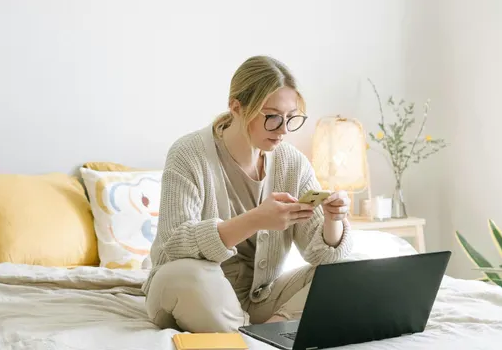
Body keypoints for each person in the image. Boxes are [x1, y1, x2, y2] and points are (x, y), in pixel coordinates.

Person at [142, 55, 353, 333]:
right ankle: (256, 333)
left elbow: (324, 259)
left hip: (260, 298)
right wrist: (255, 219)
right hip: (189, 290)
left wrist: (333, 219)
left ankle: (267, 332)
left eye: (291, 118)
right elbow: (174, 244)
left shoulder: (292, 163)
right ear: (236, 107)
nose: (284, 130)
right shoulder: (188, 154)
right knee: (188, 275)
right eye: (273, 117)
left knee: (348, 272)